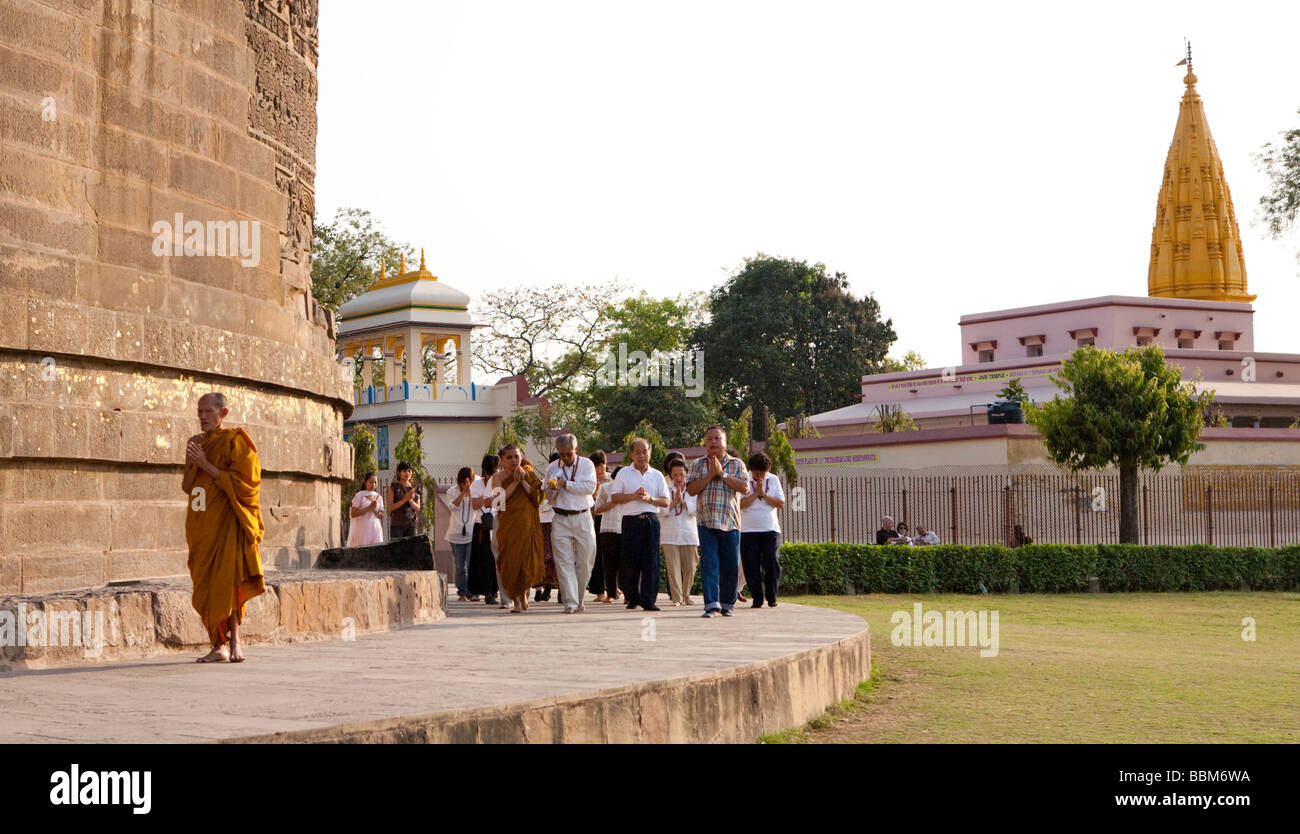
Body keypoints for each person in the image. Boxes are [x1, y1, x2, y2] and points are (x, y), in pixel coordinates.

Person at [182, 392, 266, 663]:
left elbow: (247, 486)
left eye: (208, 411)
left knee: (229, 582)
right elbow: (187, 487)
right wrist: (196, 465)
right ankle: (217, 645)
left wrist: (207, 464)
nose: (203, 417)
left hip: (228, 521)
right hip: (202, 520)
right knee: (205, 583)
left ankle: (235, 642)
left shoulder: (236, 442)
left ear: (223, 413)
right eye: (200, 412)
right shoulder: (194, 443)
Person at [686, 426, 750, 618]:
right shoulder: (697, 464)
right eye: (709, 439)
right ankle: (711, 605)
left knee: (730, 565)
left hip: (730, 522)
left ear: (724, 441)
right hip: (706, 522)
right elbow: (690, 489)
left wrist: (722, 474)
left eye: (717, 438)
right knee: (709, 564)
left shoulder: (737, 464)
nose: (713, 442)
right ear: (705, 443)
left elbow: (745, 487)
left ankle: (727, 604)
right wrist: (710, 475)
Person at [610, 438, 670, 612]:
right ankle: (632, 597)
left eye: (645, 452)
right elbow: (615, 497)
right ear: (631, 454)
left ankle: (649, 600)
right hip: (631, 521)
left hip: (651, 520)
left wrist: (650, 499)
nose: (642, 455)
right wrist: (633, 496)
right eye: (638, 452)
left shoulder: (657, 475)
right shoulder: (623, 473)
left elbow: (666, 501)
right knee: (631, 561)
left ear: (650, 453)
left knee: (651, 562)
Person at [545, 433, 599, 614]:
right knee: (563, 562)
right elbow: (548, 496)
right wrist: (552, 489)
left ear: (576, 449)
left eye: (569, 453)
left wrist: (566, 484)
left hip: (582, 516)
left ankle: (579, 598)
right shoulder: (552, 467)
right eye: (562, 454)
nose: (566, 458)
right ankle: (570, 602)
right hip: (560, 517)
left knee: (585, 560)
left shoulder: (586, 465)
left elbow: (590, 487)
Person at [491, 445, 545, 613]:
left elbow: (537, 498)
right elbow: (499, 503)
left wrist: (522, 480)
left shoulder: (528, 473)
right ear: (502, 460)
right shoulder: (497, 477)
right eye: (509, 457)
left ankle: (522, 598)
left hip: (528, 525)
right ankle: (516, 601)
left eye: (516, 456)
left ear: (521, 458)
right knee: (510, 563)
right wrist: (514, 482)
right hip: (508, 526)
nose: (513, 460)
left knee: (526, 563)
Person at [739, 452, 785, 608]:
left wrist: (763, 494)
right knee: (751, 565)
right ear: (751, 470)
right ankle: (757, 598)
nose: (759, 476)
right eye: (756, 473)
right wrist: (755, 494)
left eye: (762, 473)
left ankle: (772, 597)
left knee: (771, 561)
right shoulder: (744, 480)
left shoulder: (773, 480)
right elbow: (739, 504)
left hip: (770, 528)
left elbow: (780, 503)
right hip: (748, 529)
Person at [659, 457, 699, 606]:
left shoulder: (692, 489)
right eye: (675, 475)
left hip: (689, 532)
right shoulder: (665, 488)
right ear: (670, 475)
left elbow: (696, 510)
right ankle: (676, 598)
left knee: (691, 566)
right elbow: (660, 511)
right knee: (673, 568)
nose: (678, 478)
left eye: (681, 474)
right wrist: (674, 502)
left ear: (686, 474)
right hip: (670, 532)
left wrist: (683, 501)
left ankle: (686, 594)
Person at [467, 454, 500, 605]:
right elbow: (474, 504)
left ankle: (493, 590)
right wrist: (488, 500)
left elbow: (501, 503)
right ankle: (477, 590)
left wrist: (487, 501)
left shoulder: (500, 482)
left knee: (494, 560)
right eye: (493, 472)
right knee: (480, 560)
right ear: (486, 472)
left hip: (496, 524)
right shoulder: (477, 484)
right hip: (481, 525)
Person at [444, 467, 478, 600]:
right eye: (463, 482)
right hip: (455, 533)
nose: (466, 484)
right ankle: (462, 592)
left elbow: (477, 507)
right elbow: (453, 506)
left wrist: (472, 494)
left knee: (471, 564)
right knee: (459, 566)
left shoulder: (476, 490)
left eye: (469, 481)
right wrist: (463, 493)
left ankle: (473, 591)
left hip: (471, 532)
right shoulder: (451, 491)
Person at [593, 464, 624, 603]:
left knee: (627, 564)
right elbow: (597, 508)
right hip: (608, 529)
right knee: (609, 564)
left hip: (625, 528)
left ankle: (628, 595)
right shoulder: (606, 488)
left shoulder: (630, 490)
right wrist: (613, 502)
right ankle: (611, 594)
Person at [586, 450, 613, 602]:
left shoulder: (612, 480)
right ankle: (598, 591)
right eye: (596, 471)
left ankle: (612, 588)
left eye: (602, 469)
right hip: (593, 520)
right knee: (595, 556)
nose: (599, 474)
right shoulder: (588, 481)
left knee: (610, 556)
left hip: (610, 520)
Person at [534, 452, 560, 603]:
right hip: (548, 521)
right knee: (549, 557)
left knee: (549, 557)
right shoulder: (545, 482)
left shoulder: (546, 481)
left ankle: (548, 589)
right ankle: (546, 589)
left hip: (549, 521)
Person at [346, 472, 386, 547]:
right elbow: (353, 514)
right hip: (363, 530)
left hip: (376, 529)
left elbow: (382, 516)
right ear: (365, 482)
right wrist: (369, 508)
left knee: (377, 550)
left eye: (375, 482)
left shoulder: (379, 497)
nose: (373, 484)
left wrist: (374, 509)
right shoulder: (359, 495)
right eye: (371, 482)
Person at [387, 461, 422, 538]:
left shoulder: (415, 488)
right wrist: (404, 500)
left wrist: (410, 501)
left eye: (409, 471)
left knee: (411, 549)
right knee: (398, 549)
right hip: (397, 525)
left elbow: (418, 508)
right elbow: (390, 508)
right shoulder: (393, 487)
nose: (407, 473)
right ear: (399, 473)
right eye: (404, 471)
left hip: (412, 525)